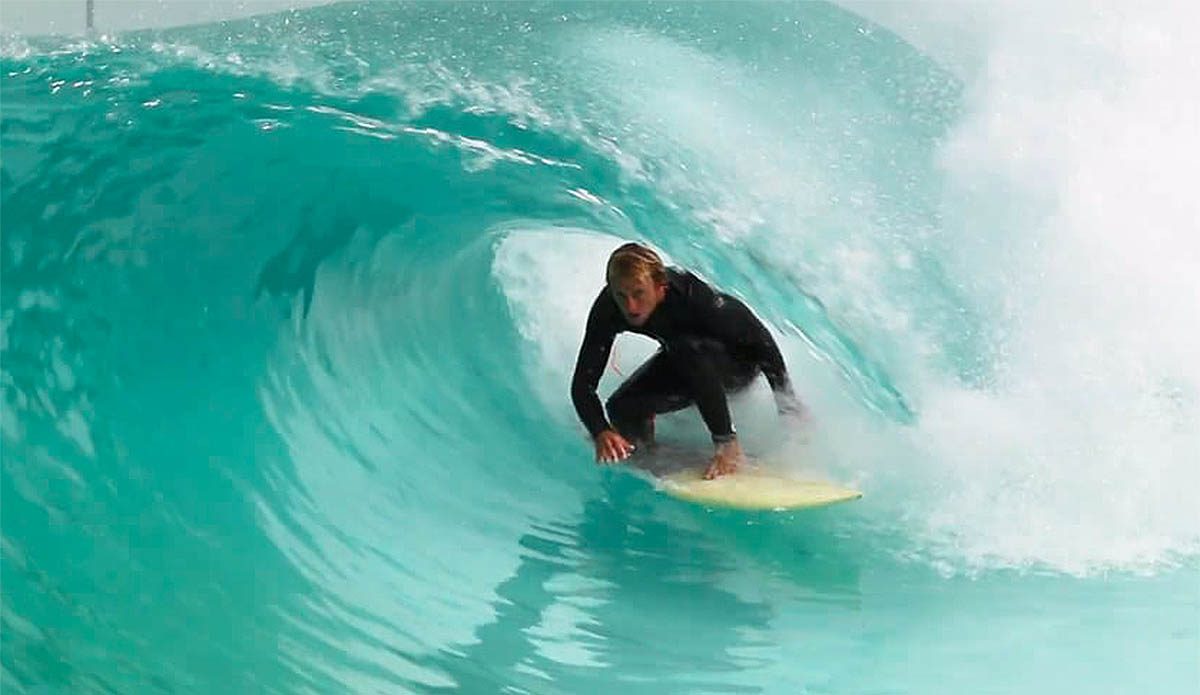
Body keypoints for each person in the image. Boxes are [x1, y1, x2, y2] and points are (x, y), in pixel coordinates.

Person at [570, 242, 804, 479]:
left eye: (639, 293)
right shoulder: (609, 308)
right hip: (688, 362)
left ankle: (728, 446)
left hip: (738, 364)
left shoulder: (694, 298)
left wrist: (788, 403)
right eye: (621, 295)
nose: (630, 306)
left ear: (660, 287)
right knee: (621, 408)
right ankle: (653, 454)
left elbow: (758, 339)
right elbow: (583, 385)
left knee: (686, 348)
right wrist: (600, 430)